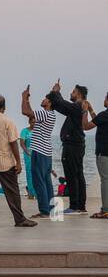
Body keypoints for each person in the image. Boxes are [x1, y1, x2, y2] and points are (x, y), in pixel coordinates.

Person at [0, 95, 37, 228]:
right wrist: (18, 162)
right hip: (5, 163)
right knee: (13, 192)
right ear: (4, 107)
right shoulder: (7, 121)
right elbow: (13, 143)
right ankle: (20, 219)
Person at [47, 81, 89, 214]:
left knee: (72, 175)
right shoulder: (76, 108)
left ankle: (75, 206)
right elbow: (61, 107)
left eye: (73, 91)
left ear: (79, 94)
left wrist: (56, 91)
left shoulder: (77, 106)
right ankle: (80, 206)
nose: (71, 93)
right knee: (78, 174)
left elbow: (63, 104)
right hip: (77, 145)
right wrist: (55, 95)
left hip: (72, 146)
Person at [20, 85, 57, 217]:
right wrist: (28, 100)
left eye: (45, 99)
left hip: (39, 151)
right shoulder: (51, 114)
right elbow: (30, 111)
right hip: (46, 152)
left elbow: (25, 111)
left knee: (38, 181)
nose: (42, 100)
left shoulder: (45, 114)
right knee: (46, 181)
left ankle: (44, 211)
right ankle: (51, 208)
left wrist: (24, 97)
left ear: (50, 103)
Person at [89, 92, 108, 219]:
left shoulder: (104, 115)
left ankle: (106, 210)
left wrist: (84, 112)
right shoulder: (102, 117)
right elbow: (98, 121)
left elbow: (86, 126)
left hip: (104, 153)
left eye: (106, 97)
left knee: (105, 180)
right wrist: (91, 110)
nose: (104, 99)